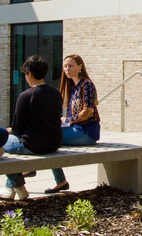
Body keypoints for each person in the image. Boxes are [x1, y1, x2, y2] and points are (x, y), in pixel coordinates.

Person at [0, 55, 63, 201]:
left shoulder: (25, 95)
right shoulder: (56, 93)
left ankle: (18, 185)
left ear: (29, 73)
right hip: (54, 142)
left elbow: (17, 129)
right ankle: (12, 188)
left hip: (33, 145)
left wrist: (9, 131)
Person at [30, 54, 101, 194]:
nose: (67, 69)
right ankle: (60, 181)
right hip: (76, 129)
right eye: (65, 66)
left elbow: (88, 111)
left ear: (80, 67)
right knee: (49, 139)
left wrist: (67, 120)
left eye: (71, 65)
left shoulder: (87, 85)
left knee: (49, 138)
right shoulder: (73, 87)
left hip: (87, 131)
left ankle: (36, 171)